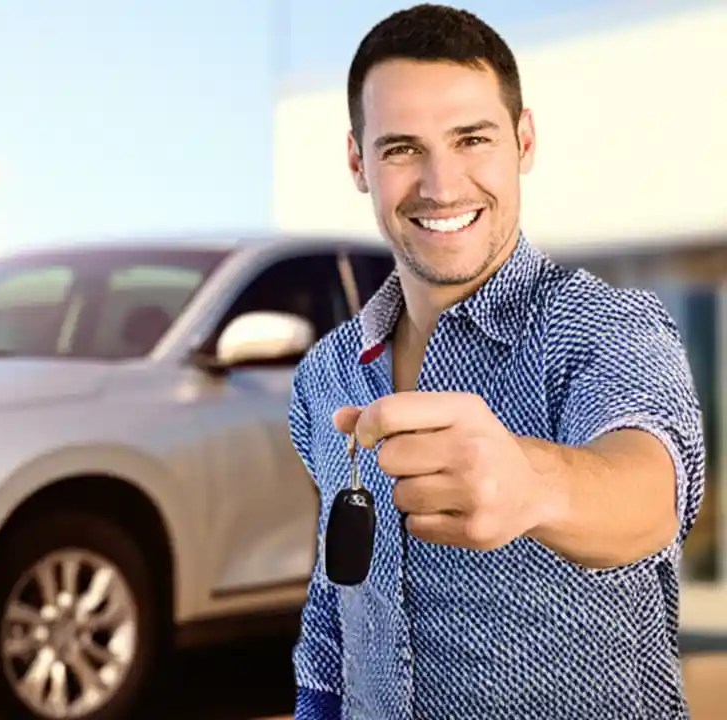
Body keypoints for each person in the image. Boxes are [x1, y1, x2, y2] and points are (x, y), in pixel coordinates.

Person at [287, 4, 705, 719]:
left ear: (524, 140)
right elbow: (337, 595)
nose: (441, 186)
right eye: (401, 149)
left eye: (472, 139)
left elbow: (654, 492)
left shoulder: (607, 326)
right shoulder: (324, 377)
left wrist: (535, 486)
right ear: (359, 162)